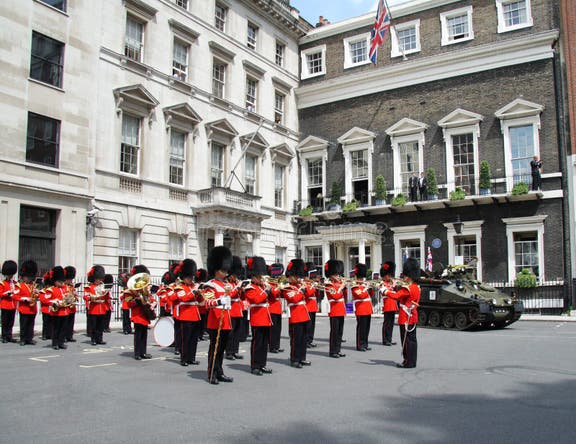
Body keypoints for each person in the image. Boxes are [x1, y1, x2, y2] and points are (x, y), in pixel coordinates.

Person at [202, 246, 234, 385]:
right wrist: (219, 301)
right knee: (214, 348)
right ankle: (212, 373)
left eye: (226, 270)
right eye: (223, 270)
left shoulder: (226, 285)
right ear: (216, 270)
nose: (226, 273)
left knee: (221, 349)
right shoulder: (210, 285)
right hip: (215, 320)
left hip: (225, 320)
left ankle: (220, 371)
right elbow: (208, 303)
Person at [384, 258, 421, 368]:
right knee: (412, 340)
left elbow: (396, 296)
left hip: (405, 317)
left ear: (409, 276)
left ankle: (407, 361)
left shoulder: (407, 288)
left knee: (406, 341)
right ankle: (412, 361)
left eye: (405, 276)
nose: (403, 278)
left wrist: (385, 291)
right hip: (413, 316)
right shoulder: (416, 287)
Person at [243, 256, 274, 375]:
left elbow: (270, 299)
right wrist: (266, 291)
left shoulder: (261, 286)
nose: (261, 278)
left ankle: (262, 364)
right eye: (259, 276)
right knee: (257, 343)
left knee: (264, 343)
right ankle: (255, 366)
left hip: (265, 318)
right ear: (253, 276)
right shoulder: (249, 288)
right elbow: (256, 300)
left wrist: (269, 290)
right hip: (257, 318)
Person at [172, 259, 202, 367]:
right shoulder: (180, 287)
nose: (191, 279)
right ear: (184, 277)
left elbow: (199, 300)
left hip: (195, 316)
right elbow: (184, 298)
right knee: (186, 339)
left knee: (194, 339)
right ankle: (184, 358)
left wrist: (199, 293)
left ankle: (191, 358)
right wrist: (194, 291)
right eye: (189, 277)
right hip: (186, 316)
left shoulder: (193, 286)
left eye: (192, 277)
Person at [283, 259, 311, 368]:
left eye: (298, 276)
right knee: (296, 340)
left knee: (303, 339)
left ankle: (302, 358)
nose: (298, 278)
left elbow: (309, 294)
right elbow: (294, 299)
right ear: (290, 276)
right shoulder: (287, 288)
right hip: (295, 316)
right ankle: (294, 359)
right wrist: (302, 290)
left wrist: (305, 286)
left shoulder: (299, 286)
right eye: (296, 276)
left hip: (304, 315)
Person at [126, 264, 157, 360]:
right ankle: (137, 353)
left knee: (144, 334)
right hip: (137, 315)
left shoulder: (145, 290)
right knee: (138, 334)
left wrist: (153, 304)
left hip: (145, 314)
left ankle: (143, 352)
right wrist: (137, 300)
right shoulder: (131, 291)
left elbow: (151, 299)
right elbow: (128, 303)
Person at [41, 266, 70, 350]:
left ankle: (61, 342)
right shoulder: (51, 289)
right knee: (56, 329)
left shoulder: (66, 289)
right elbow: (45, 299)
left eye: (62, 281)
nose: (61, 283)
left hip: (65, 311)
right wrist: (54, 301)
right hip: (56, 312)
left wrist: (70, 299)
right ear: (55, 281)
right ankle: (55, 343)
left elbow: (69, 297)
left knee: (63, 328)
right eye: (59, 281)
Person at [324, 259, 346, 358]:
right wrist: (341, 287)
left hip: (341, 310)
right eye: (336, 274)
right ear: (331, 275)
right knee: (334, 332)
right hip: (334, 310)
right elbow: (336, 296)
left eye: (338, 274)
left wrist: (342, 286)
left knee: (340, 332)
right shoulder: (329, 285)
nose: (338, 276)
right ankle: (333, 351)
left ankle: (338, 349)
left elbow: (343, 296)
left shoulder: (338, 283)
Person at [84, 266, 110, 346]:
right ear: (94, 278)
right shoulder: (89, 287)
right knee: (94, 326)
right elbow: (86, 296)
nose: (99, 281)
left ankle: (100, 339)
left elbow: (106, 298)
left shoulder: (102, 287)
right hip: (93, 308)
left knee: (100, 325)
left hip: (101, 308)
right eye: (98, 279)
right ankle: (93, 339)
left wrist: (106, 294)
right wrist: (93, 297)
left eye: (100, 279)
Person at [14, 260, 39, 345]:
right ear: (23, 276)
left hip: (32, 308)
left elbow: (37, 297)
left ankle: (29, 338)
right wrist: (24, 299)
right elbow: (15, 296)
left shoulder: (33, 285)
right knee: (24, 325)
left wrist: (37, 293)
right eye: (27, 277)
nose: (29, 278)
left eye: (30, 277)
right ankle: (23, 339)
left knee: (31, 324)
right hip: (24, 308)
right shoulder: (19, 285)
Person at [225, 256, 245, 361]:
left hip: (238, 310)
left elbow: (241, 297)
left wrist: (242, 290)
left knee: (237, 332)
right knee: (230, 333)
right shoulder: (227, 284)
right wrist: (237, 288)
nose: (235, 277)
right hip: (231, 310)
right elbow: (230, 295)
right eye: (234, 275)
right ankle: (229, 352)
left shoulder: (235, 283)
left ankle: (235, 351)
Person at [351, 263, 373, 351]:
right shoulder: (355, 286)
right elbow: (361, 296)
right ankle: (360, 345)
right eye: (360, 278)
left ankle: (365, 344)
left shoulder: (363, 285)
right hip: (361, 309)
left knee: (367, 328)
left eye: (362, 278)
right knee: (361, 328)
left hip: (367, 309)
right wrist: (366, 288)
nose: (362, 279)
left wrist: (370, 288)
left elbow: (370, 295)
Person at [379, 262, 398, 346]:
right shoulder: (382, 284)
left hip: (393, 305)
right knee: (386, 323)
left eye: (390, 275)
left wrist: (394, 286)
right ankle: (385, 339)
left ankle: (389, 339)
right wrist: (393, 286)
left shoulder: (390, 283)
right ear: (384, 275)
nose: (390, 277)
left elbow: (396, 294)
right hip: (387, 305)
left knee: (391, 323)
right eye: (388, 275)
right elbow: (384, 293)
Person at [267, 263, 284, 354]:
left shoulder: (276, 283)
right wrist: (278, 287)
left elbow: (282, 295)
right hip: (272, 308)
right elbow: (273, 294)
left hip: (278, 309)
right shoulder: (269, 283)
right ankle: (272, 346)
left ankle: (277, 345)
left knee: (278, 329)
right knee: (272, 330)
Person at [1, 260, 18, 343]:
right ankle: (4, 336)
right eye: (9, 274)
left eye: (11, 274)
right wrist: (6, 294)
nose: (10, 276)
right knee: (5, 322)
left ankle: (9, 336)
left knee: (11, 321)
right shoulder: (2, 283)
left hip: (13, 305)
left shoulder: (15, 283)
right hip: (5, 305)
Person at [303, 262, 319, 348]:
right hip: (307, 307)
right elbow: (309, 293)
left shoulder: (311, 283)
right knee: (308, 326)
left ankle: (310, 340)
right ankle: (306, 341)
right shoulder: (305, 283)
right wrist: (313, 286)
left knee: (312, 325)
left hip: (313, 306)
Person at [63, 266, 78, 343]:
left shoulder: (71, 286)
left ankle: (70, 336)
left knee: (71, 323)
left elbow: (75, 296)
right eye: (69, 279)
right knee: (65, 323)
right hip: (66, 307)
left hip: (72, 307)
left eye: (71, 279)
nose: (70, 281)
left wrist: (75, 295)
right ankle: (64, 336)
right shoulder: (63, 287)